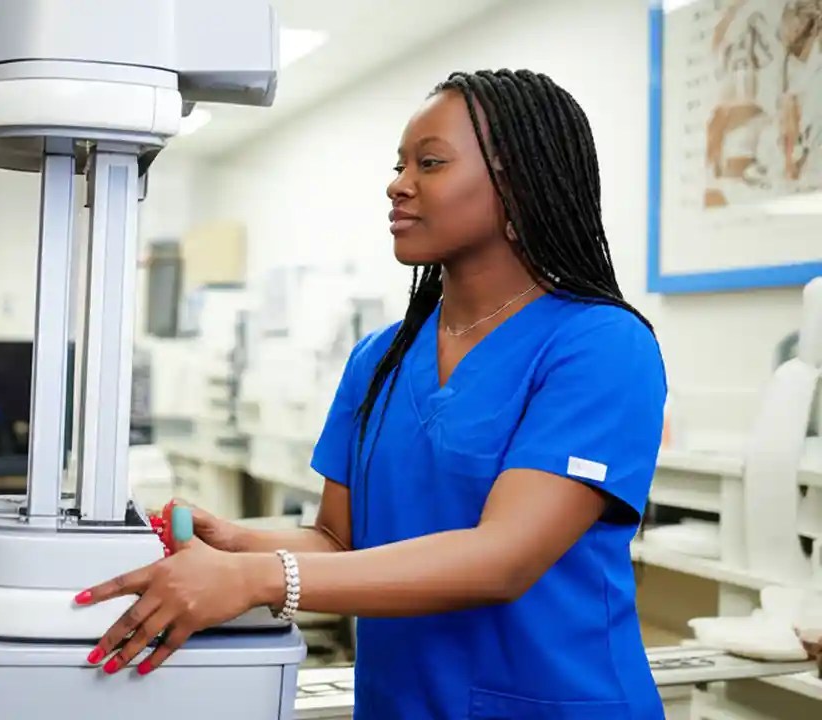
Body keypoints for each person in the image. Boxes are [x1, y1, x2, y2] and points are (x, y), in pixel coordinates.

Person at [76, 68, 671, 718]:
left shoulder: (601, 346)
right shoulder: (380, 357)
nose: (398, 184)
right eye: (400, 164)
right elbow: (339, 541)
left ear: (516, 181)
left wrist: (258, 576)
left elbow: (503, 558)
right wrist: (238, 543)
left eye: (431, 162)